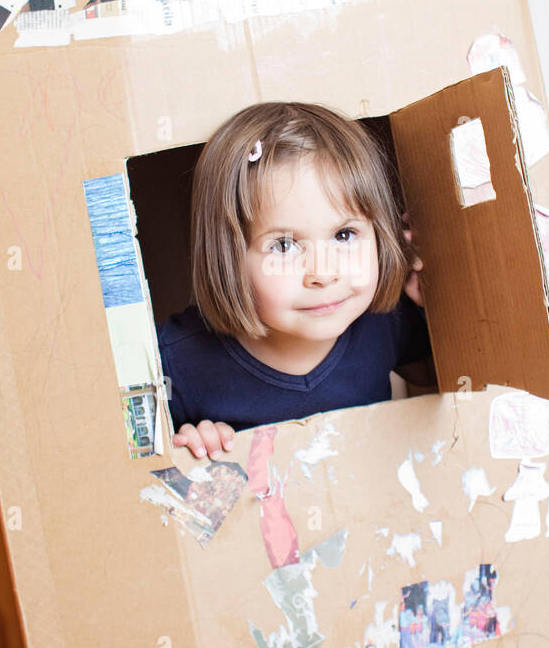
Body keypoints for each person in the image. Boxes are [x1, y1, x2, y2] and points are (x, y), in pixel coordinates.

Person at [157, 101, 430, 460]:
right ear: (227, 257)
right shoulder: (177, 361)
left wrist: (430, 303)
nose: (323, 273)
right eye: (284, 245)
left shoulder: (384, 321)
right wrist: (188, 441)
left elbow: (438, 381)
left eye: (345, 235)